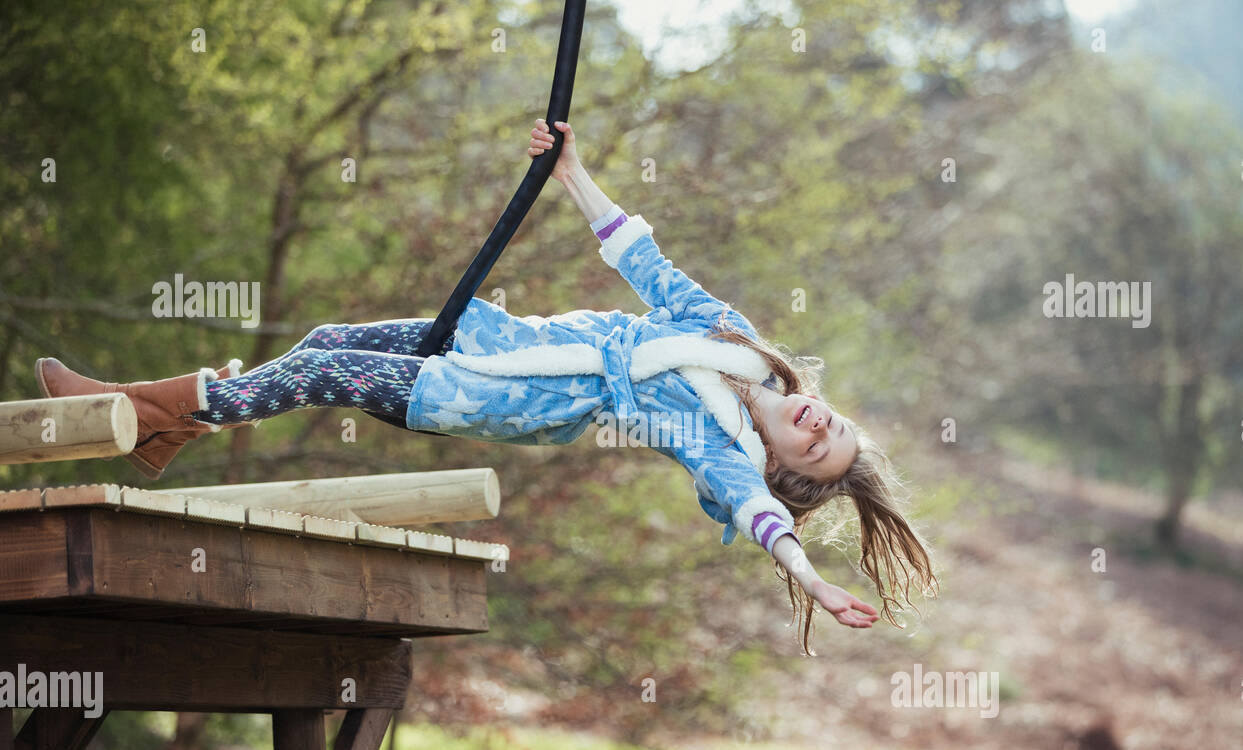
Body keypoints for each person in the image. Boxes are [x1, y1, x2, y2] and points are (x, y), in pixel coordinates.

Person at [35, 119, 936, 653]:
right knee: (324, 340)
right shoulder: (729, 334)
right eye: (836, 421)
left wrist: (810, 580)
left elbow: (754, 514)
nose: (818, 421)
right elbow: (639, 256)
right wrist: (570, 169)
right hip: (501, 338)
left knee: (318, 372)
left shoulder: (721, 449)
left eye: (816, 446)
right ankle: (168, 434)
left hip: (500, 398)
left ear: (783, 460)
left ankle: (147, 407)